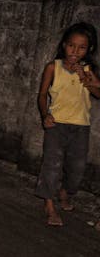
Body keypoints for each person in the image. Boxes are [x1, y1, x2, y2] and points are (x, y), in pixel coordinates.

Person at [35, 22, 100, 226]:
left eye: (81, 47)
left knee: (77, 168)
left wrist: (87, 79)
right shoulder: (53, 67)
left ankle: (65, 192)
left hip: (81, 127)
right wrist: (45, 114)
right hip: (57, 125)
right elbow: (43, 94)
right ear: (64, 45)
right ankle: (49, 205)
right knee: (52, 166)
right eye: (72, 46)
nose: (75, 51)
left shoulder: (89, 70)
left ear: (88, 50)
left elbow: (98, 94)